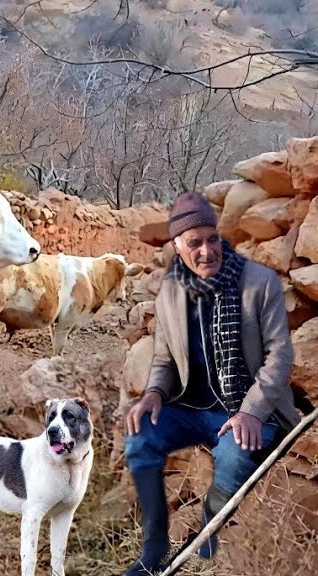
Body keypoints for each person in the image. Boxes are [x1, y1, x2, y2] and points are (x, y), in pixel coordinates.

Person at [123, 192, 299, 575]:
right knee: (139, 436)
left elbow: (279, 356)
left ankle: (203, 545)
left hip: (249, 409)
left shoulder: (259, 283)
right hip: (195, 407)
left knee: (233, 457)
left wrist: (251, 412)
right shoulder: (171, 292)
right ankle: (153, 548)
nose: (206, 251)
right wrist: (154, 392)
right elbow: (164, 358)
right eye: (194, 243)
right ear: (177, 246)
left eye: (212, 239)